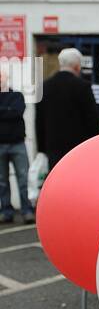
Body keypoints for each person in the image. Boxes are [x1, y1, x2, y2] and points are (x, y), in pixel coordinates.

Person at [35, 48, 99, 171]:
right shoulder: (83, 87)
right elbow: (92, 119)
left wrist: (42, 149)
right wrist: (95, 144)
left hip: (53, 146)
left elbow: (39, 119)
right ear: (77, 66)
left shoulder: (45, 86)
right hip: (78, 148)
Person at [0, 82, 36, 223]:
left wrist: (5, 111)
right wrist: (7, 110)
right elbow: (12, 112)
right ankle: (6, 211)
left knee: (23, 179)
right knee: (2, 182)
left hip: (17, 144)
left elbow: (17, 111)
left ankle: (27, 211)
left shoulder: (16, 95)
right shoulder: (15, 98)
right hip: (1, 145)